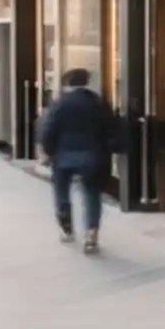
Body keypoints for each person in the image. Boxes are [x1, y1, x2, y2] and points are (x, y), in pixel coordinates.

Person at [39, 68, 114, 254]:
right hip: (91, 156)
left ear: (67, 84)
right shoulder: (97, 103)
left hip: (63, 157)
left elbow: (48, 129)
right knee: (91, 194)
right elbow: (109, 128)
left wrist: (47, 152)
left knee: (61, 192)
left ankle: (66, 226)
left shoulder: (60, 104)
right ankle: (91, 234)